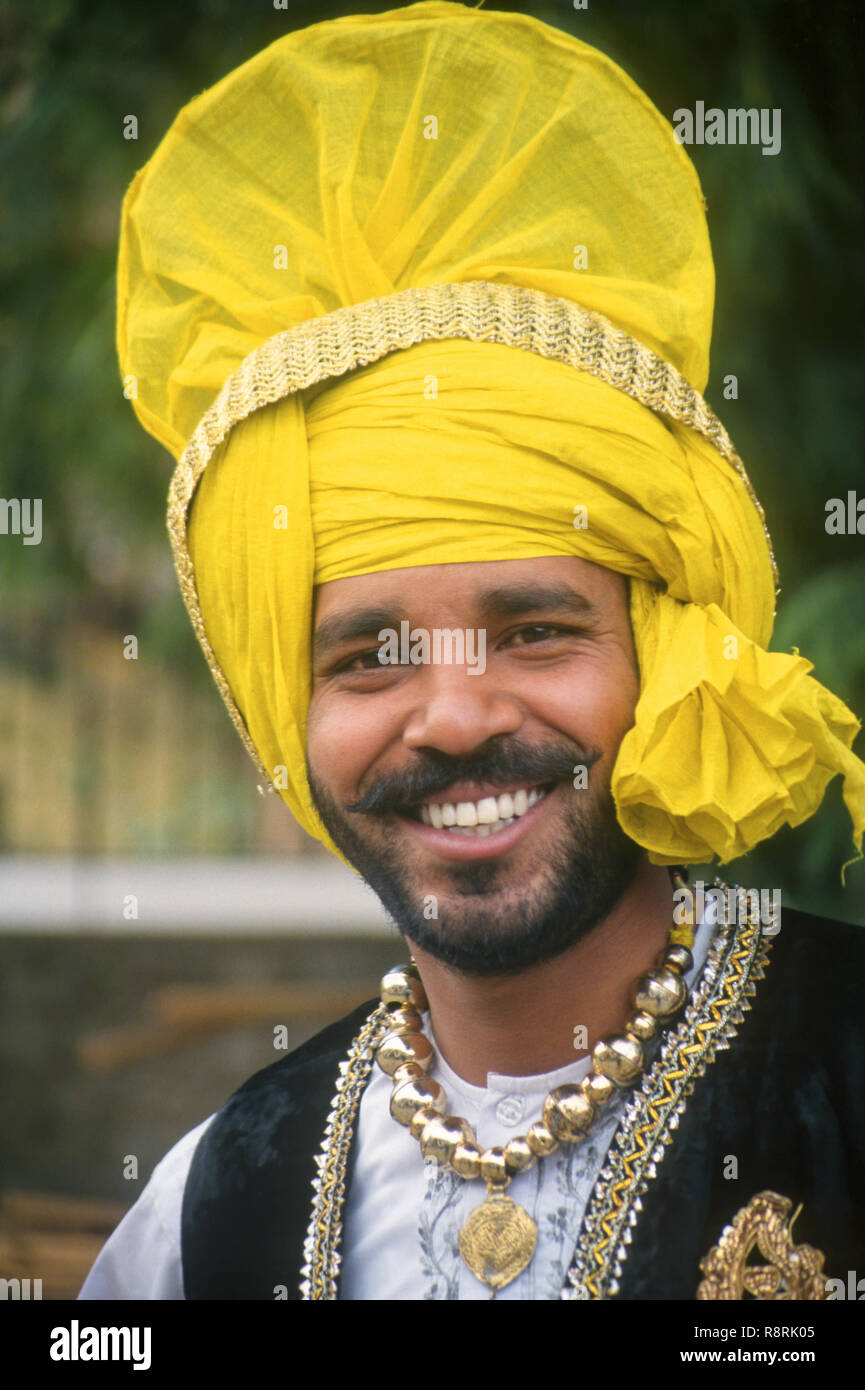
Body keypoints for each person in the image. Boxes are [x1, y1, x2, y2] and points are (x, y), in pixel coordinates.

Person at [80, 1, 865, 1301]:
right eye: (368, 659)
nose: (450, 716)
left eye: (534, 631)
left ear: (661, 647)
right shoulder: (214, 1204)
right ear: (286, 713)